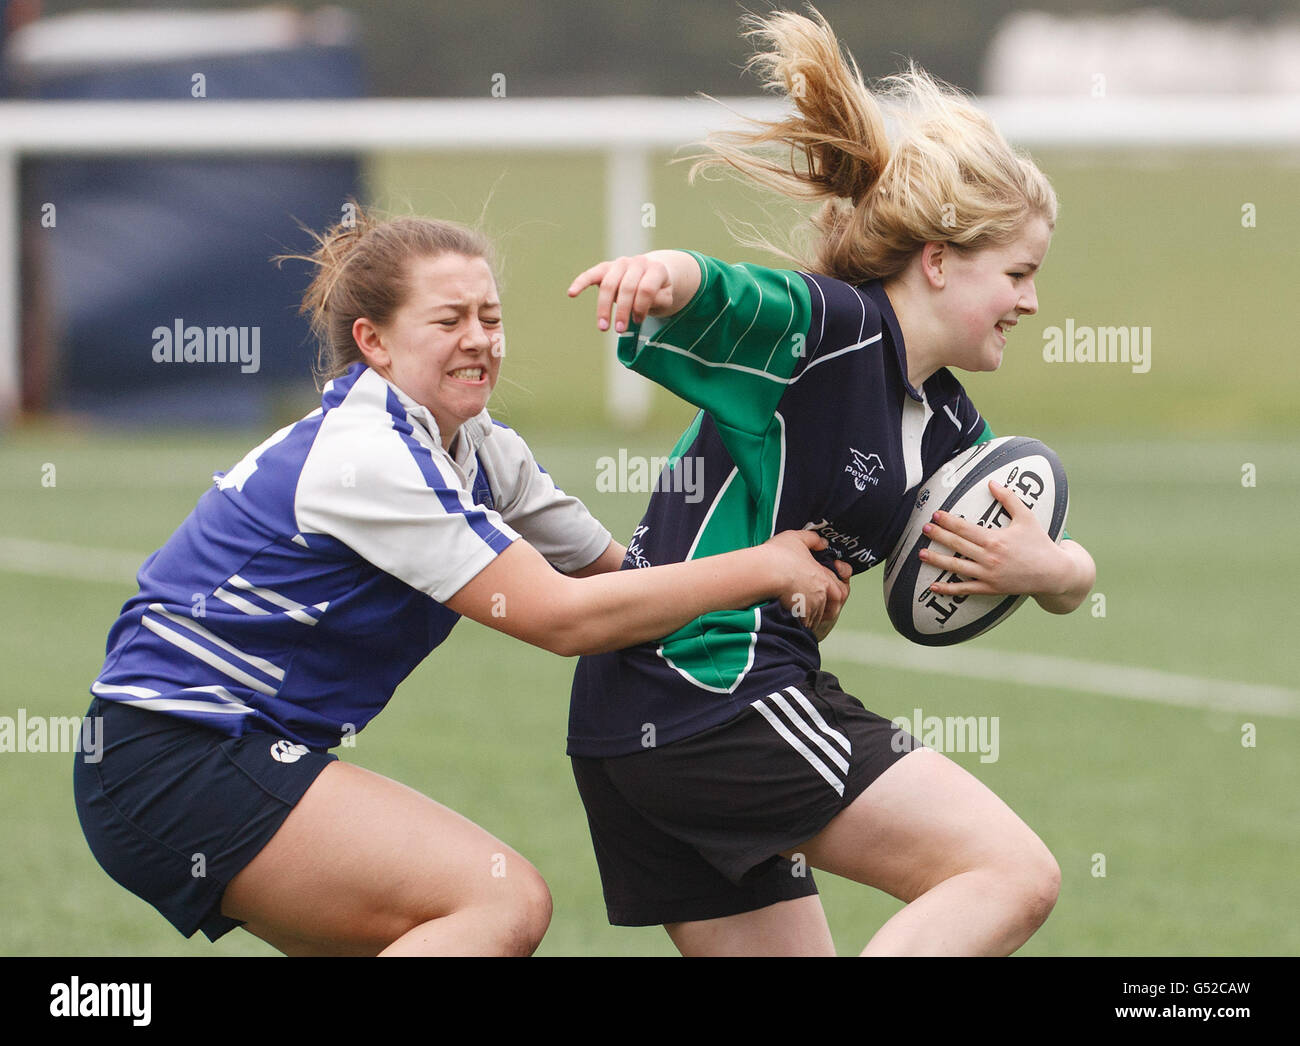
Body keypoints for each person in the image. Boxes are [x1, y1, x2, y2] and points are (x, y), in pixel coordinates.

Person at [72, 207, 850, 956]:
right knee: (498, 898)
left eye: (491, 317)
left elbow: (627, 580)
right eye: (449, 321)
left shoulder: (476, 446)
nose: (480, 339)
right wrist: (760, 565)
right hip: (172, 755)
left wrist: (770, 585)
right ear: (372, 342)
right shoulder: (368, 456)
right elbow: (564, 619)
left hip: (228, 751)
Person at [565, 8, 1097, 956]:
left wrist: (1045, 570)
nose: (1031, 300)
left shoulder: (950, 425)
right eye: (1017, 273)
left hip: (642, 715)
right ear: (938, 261)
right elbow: (726, 290)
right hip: (710, 688)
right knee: (1010, 872)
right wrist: (660, 273)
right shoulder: (828, 329)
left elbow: (1060, 574)